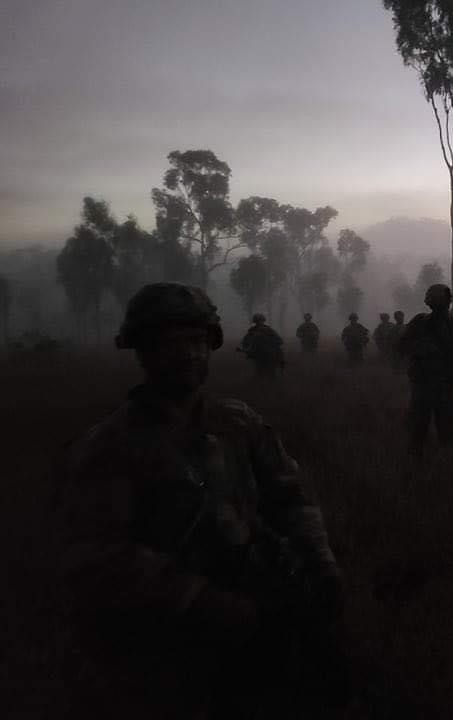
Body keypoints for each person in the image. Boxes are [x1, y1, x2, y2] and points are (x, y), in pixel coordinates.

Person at [57, 283, 345, 719]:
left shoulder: (237, 422)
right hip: (164, 644)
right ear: (143, 351)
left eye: (196, 341)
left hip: (257, 617)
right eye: (170, 343)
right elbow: (98, 557)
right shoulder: (109, 447)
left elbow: (290, 494)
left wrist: (320, 563)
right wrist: (211, 604)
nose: (188, 354)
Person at [395, 284, 453, 458]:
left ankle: (442, 463)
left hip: (445, 384)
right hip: (424, 383)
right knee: (419, 427)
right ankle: (418, 462)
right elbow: (402, 346)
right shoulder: (421, 323)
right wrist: (423, 350)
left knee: (446, 429)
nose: (441, 307)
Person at [239, 313, 285, 378]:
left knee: (271, 372)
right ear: (255, 322)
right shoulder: (252, 331)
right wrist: (246, 348)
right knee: (259, 372)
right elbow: (245, 341)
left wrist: (270, 342)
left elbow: (280, 341)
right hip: (258, 354)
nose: (259, 322)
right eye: (257, 321)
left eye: (260, 321)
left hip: (269, 354)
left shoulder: (269, 330)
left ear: (263, 321)